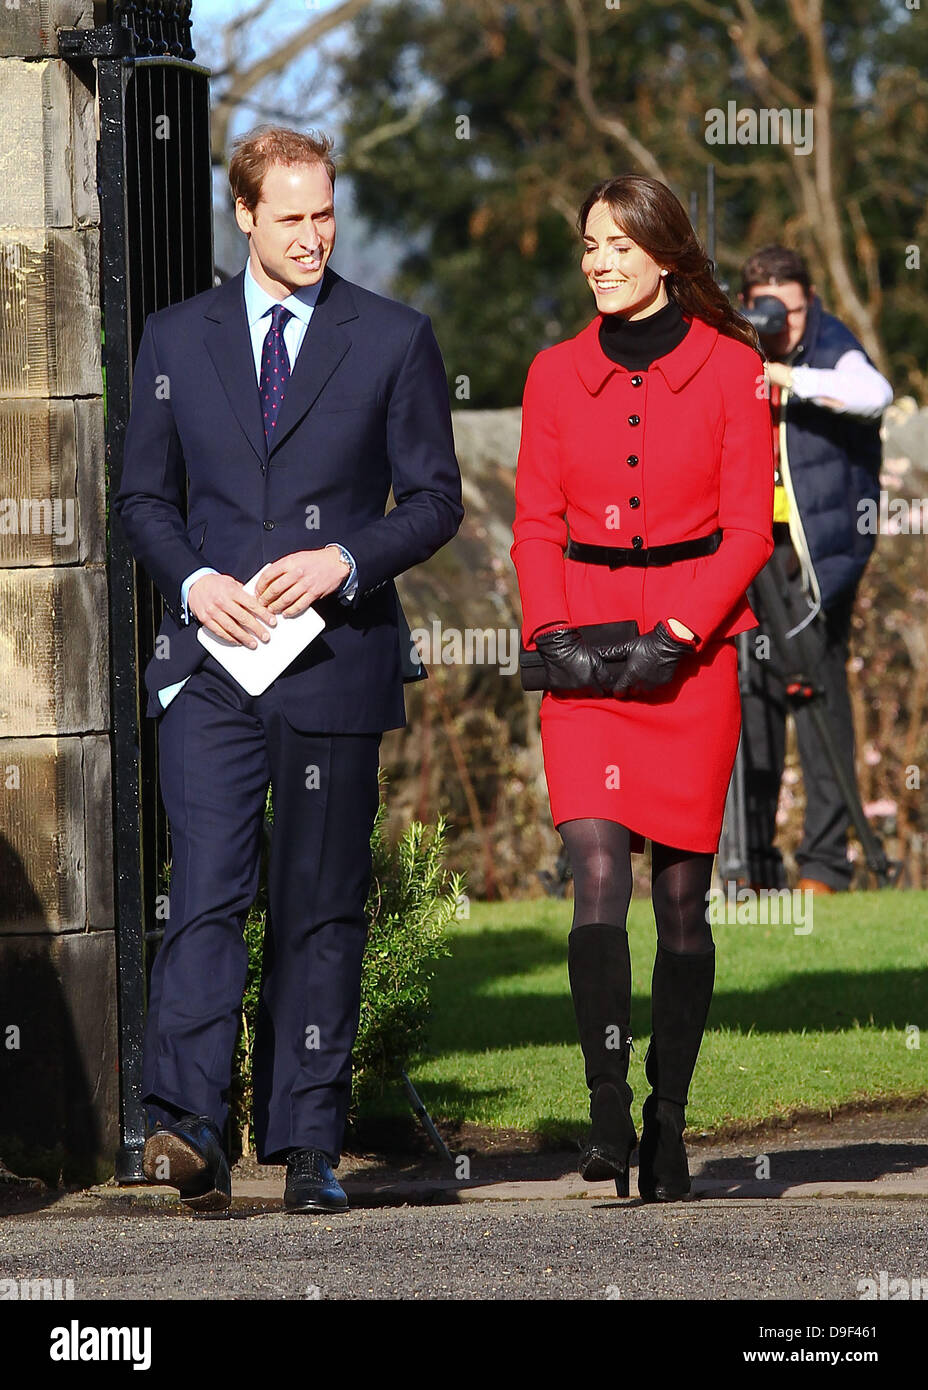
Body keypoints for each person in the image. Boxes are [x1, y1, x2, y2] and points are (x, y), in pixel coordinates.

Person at [113, 126, 463, 1213]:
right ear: (245, 215)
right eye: (292, 217)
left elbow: (437, 500)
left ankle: (308, 1144)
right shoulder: (175, 340)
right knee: (207, 893)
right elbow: (144, 501)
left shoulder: (394, 338)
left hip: (334, 663)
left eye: (326, 216)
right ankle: (189, 1128)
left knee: (319, 905)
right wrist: (191, 582)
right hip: (214, 668)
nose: (313, 237)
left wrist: (345, 557)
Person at [510, 175, 774, 1201]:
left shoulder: (735, 368)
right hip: (582, 648)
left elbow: (751, 527)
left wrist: (681, 629)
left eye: (619, 244)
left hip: (689, 650)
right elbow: (535, 520)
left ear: (665, 252)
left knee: (680, 902)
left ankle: (669, 1116)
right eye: (588, 246)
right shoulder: (550, 372)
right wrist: (548, 631)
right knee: (594, 866)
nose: (600, 262)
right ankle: (608, 1106)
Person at [738, 246, 892, 893]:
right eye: (768, 309)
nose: (782, 323)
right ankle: (754, 864)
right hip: (743, 547)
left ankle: (826, 867)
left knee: (820, 700)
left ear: (810, 303)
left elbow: (875, 393)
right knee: (753, 704)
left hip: (812, 556)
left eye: (792, 309)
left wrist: (788, 379)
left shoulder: (829, 343)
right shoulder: (735, 345)